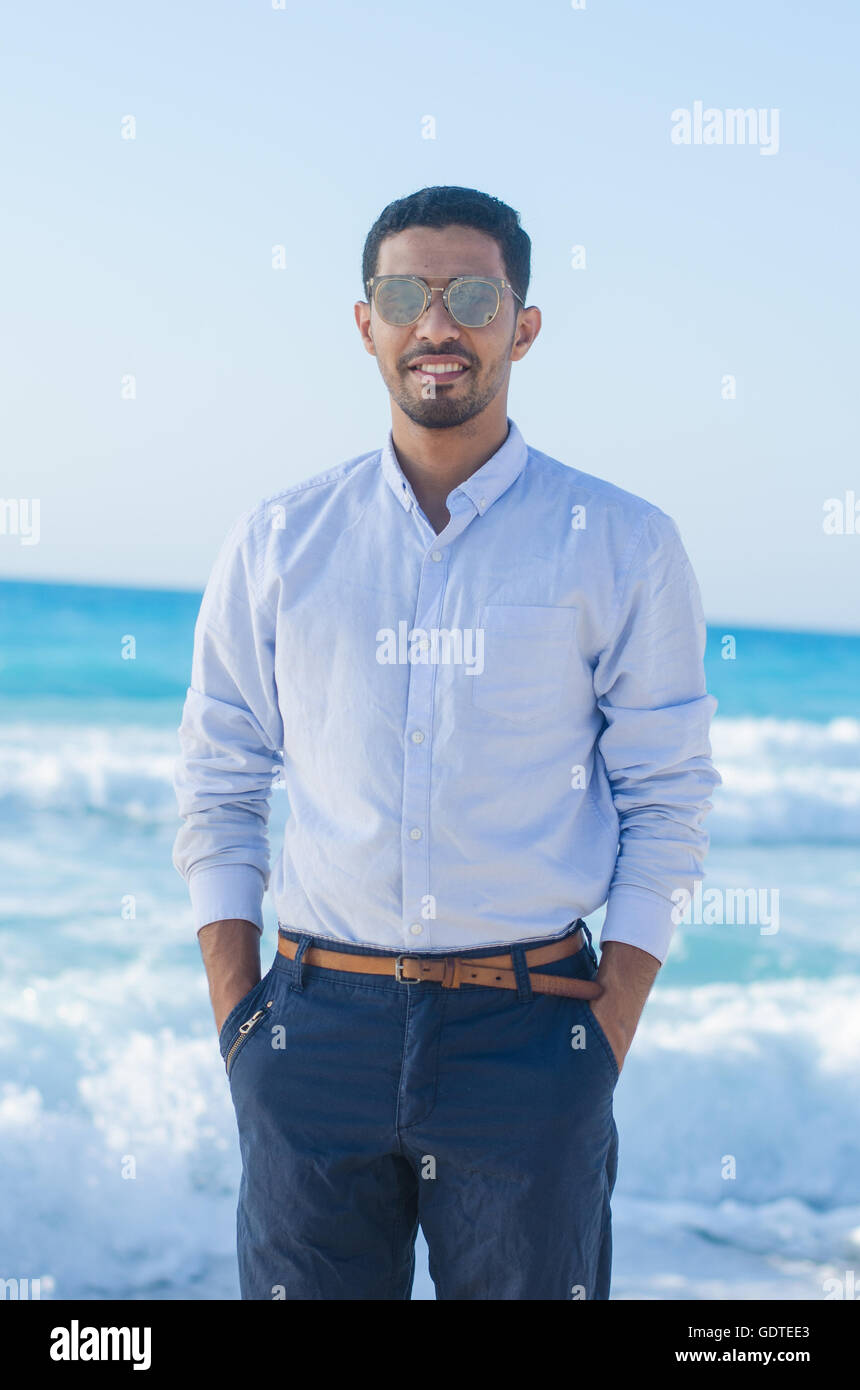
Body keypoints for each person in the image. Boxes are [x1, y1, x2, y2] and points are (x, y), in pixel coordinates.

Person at [172, 184, 721, 1301]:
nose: (437, 325)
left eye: (471, 296)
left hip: (530, 1039)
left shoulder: (619, 543)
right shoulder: (280, 540)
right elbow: (219, 778)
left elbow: (667, 801)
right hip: (311, 1033)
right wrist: (240, 1027)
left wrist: (600, 1037)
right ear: (364, 321)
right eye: (404, 295)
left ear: (520, 325)